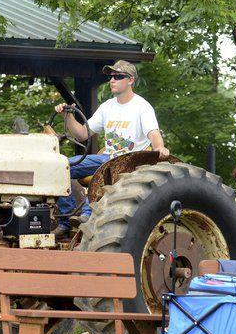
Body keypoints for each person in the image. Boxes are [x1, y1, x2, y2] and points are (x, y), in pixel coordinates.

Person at [52, 60, 169, 235]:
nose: (112, 80)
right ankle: (65, 221)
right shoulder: (107, 107)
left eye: (118, 76)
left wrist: (160, 147)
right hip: (108, 157)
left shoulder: (142, 107)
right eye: (111, 76)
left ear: (130, 80)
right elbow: (83, 134)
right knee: (62, 166)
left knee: (105, 168)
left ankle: (86, 215)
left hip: (131, 160)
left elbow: (153, 133)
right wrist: (68, 115)